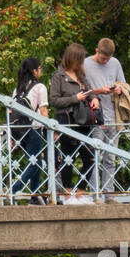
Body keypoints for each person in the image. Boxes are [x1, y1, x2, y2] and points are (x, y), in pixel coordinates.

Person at [50, 44, 99, 204]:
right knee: (68, 157)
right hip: (67, 120)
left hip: (84, 120)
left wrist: (94, 99)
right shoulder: (58, 76)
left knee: (90, 157)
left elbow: (89, 91)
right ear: (72, 59)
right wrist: (74, 99)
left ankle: (80, 192)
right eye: (79, 59)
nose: (82, 63)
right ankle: (67, 194)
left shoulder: (81, 75)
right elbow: (55, 100)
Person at [82, 38, 127, 194]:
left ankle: (108, 193)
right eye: (103, 58)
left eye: (108, 59)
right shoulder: (86, 64)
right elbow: (82, 90)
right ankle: (94, 193)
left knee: (111, 158)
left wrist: (118, 89)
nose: (105, 61)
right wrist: (99, 91)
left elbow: (123, 84)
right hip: (96, 117)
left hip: (113, 116)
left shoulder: (115, 63)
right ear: (97, 51)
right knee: (94, 157)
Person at [10, 57, 51, 204]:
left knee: (34, 160)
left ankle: (34, 195)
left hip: (20, 131)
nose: (41, 71)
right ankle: (14, 189)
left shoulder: (18, 89)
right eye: (40, 68)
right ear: (34, 71)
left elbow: (11, 111)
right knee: (36, 163)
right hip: (34, 129)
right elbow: (43, 110)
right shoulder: (40, 87)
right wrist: (51, 127)